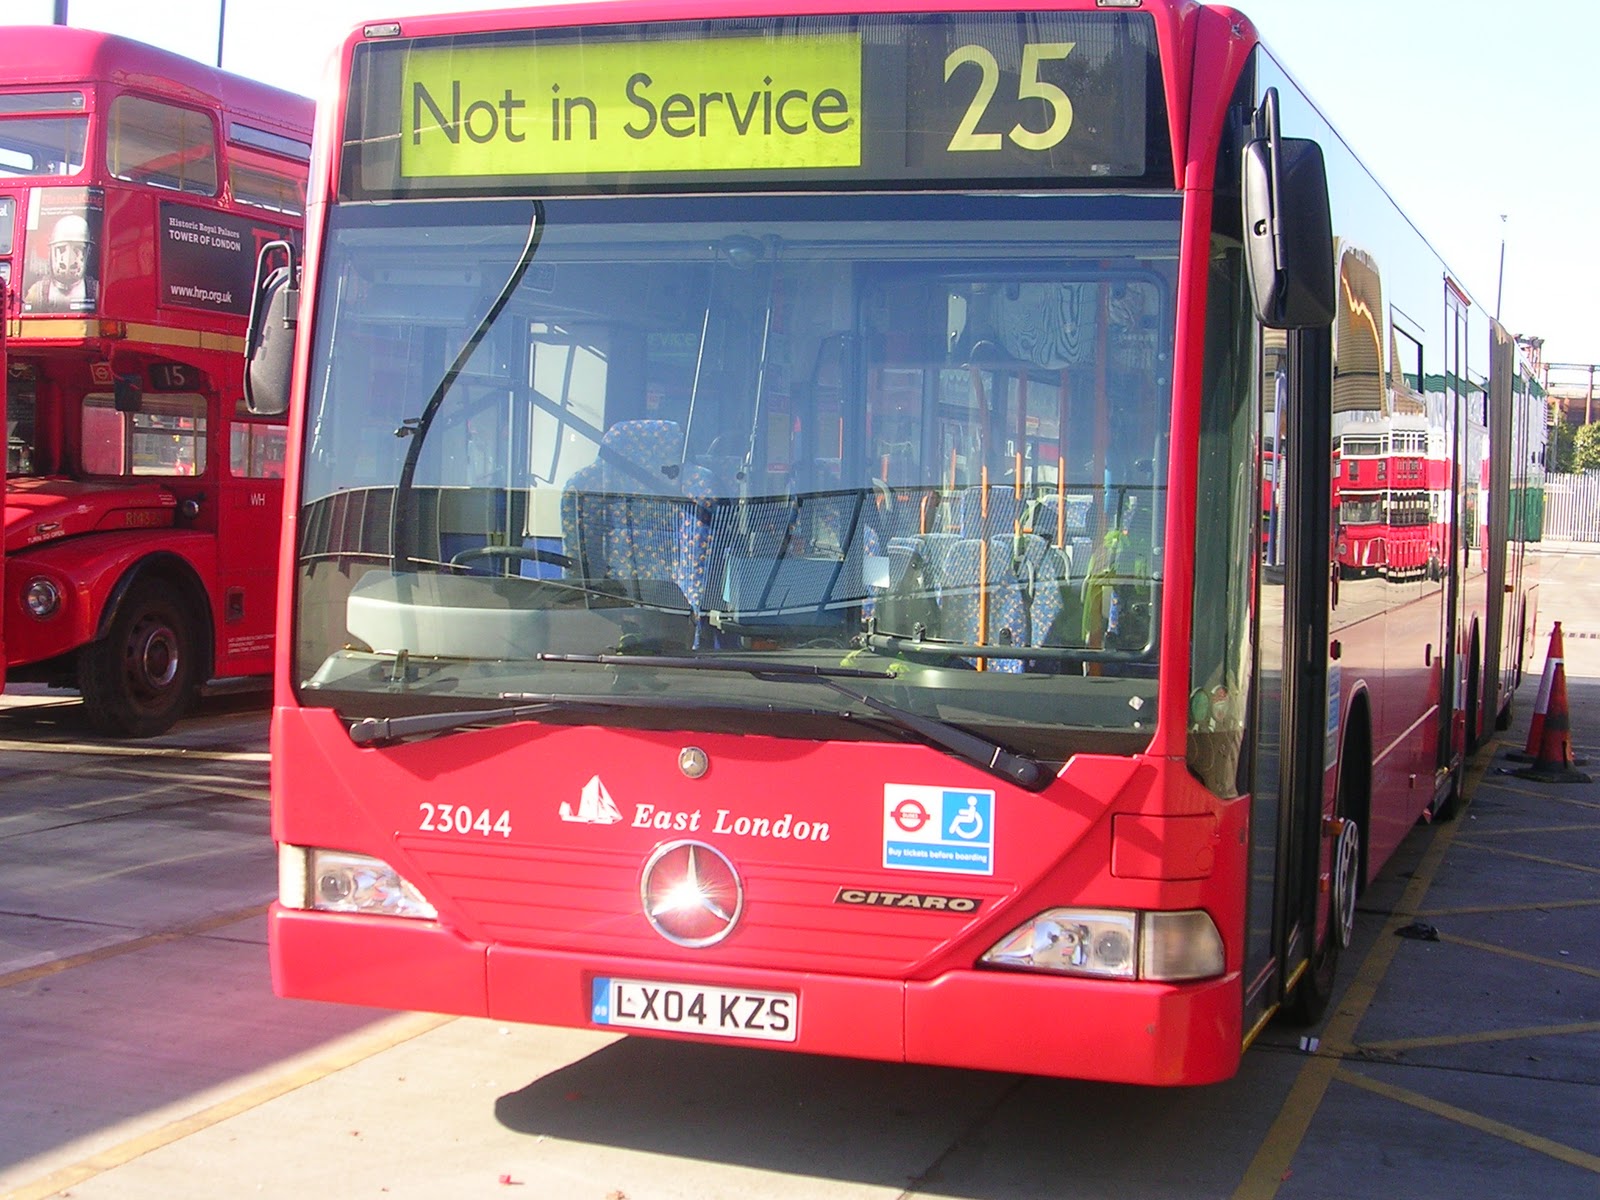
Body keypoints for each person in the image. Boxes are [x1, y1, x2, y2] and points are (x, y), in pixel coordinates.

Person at [23, 214, 93, 313]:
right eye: (61, 249)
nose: (69, 258)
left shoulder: (96, 290)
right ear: (51, 252)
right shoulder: (36, 291)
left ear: (87, 253)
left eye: (78, 249)